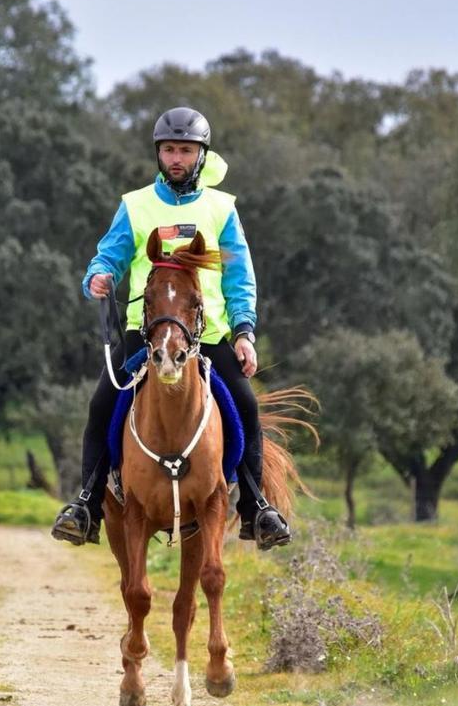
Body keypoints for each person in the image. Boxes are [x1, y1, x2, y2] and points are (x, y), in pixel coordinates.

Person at [50, 106, 291, 551]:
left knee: (246, 408)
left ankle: (256, 508)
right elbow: (110, 255)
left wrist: (244, 332)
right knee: (102, 405)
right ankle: (86, 504)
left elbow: (240, 277)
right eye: (168, 150)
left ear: (201, 155)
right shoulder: (136, 205)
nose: (175, 158)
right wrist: (98, 276)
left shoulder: (222, 210)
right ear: (158, 155)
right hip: (146, 333)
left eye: (184, 150)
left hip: (210, 335)